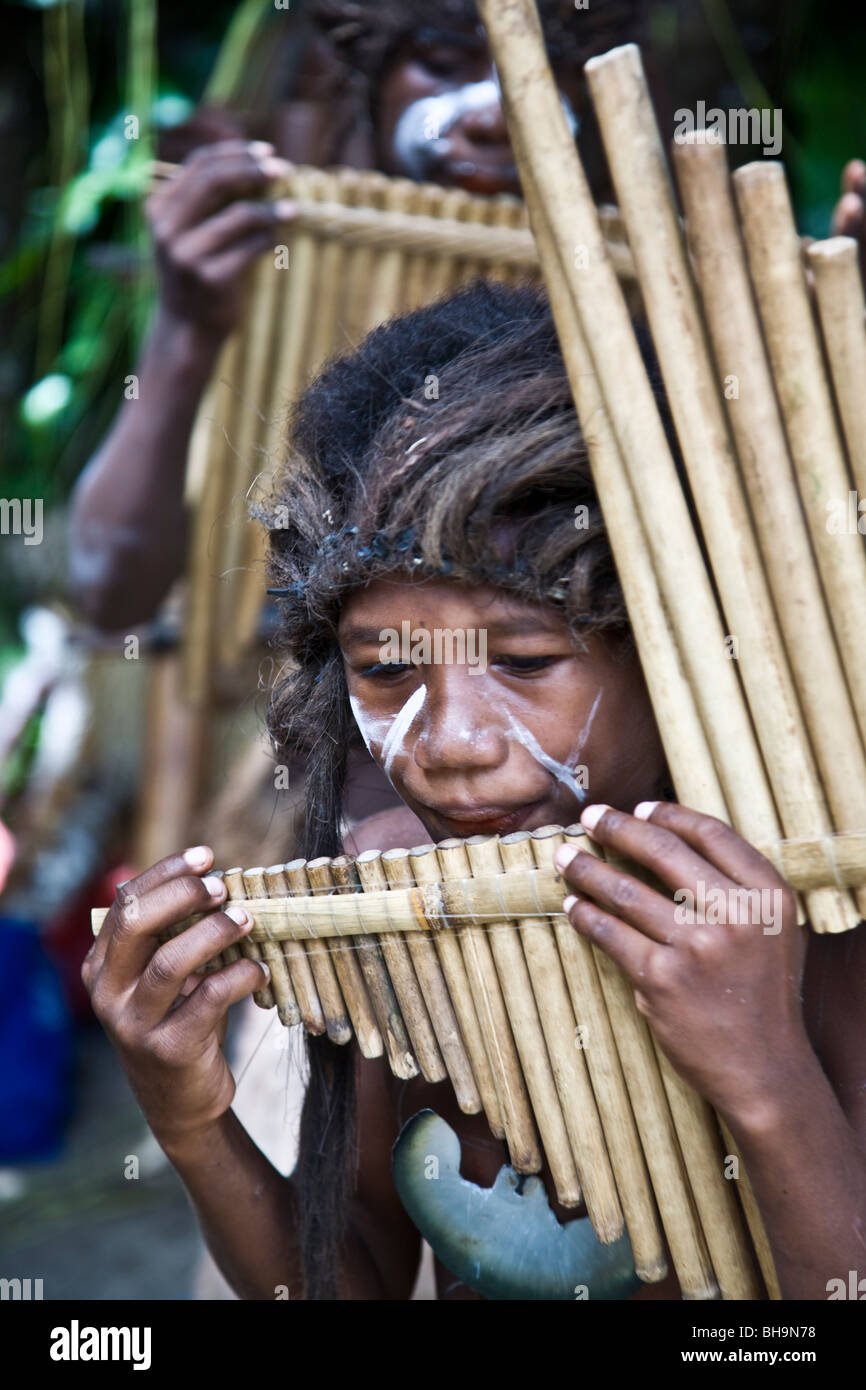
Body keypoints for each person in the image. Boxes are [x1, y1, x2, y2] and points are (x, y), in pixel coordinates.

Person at [81, 282, 866, 1300]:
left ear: (669, 655)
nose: (448, 743)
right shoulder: (394, 897)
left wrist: (763, 1075)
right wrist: (191, 1121)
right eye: (387, 671)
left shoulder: (823, 913)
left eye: (527, 662)